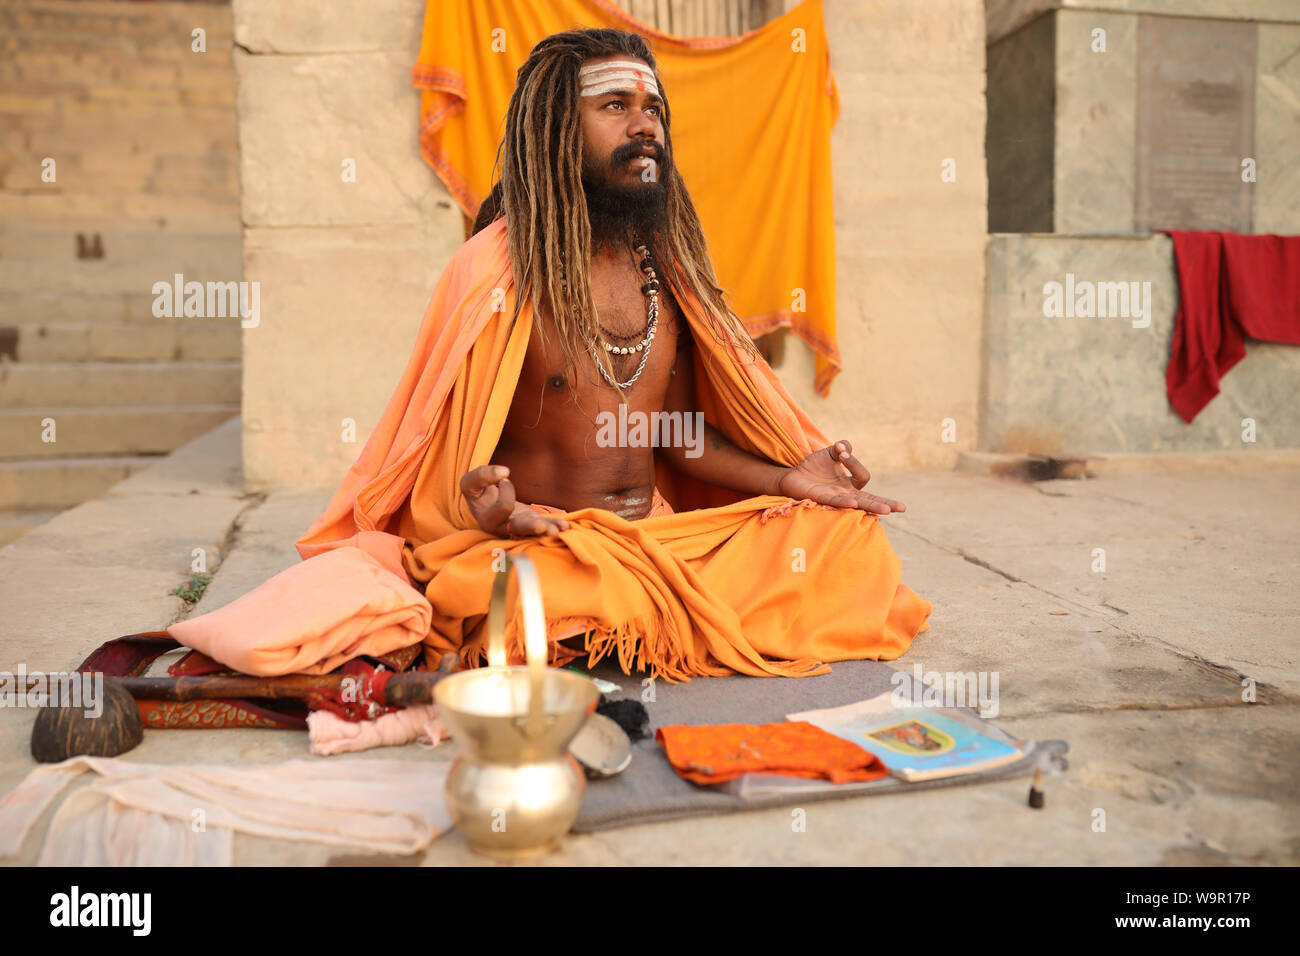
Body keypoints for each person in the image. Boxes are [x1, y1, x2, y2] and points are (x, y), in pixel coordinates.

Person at [298, 28, 932, 682]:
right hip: (545, 544)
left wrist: (786, 478)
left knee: (843, 541)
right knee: (500, 591)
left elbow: (676, 436)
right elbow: (440, 456)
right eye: (614, 107)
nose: (644, 125)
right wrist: (485, 511)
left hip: (657, 540)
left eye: (652, 109)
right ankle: (644, 617)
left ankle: (635, 618)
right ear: (556, 132)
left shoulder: (667, 270)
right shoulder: (492, 277)